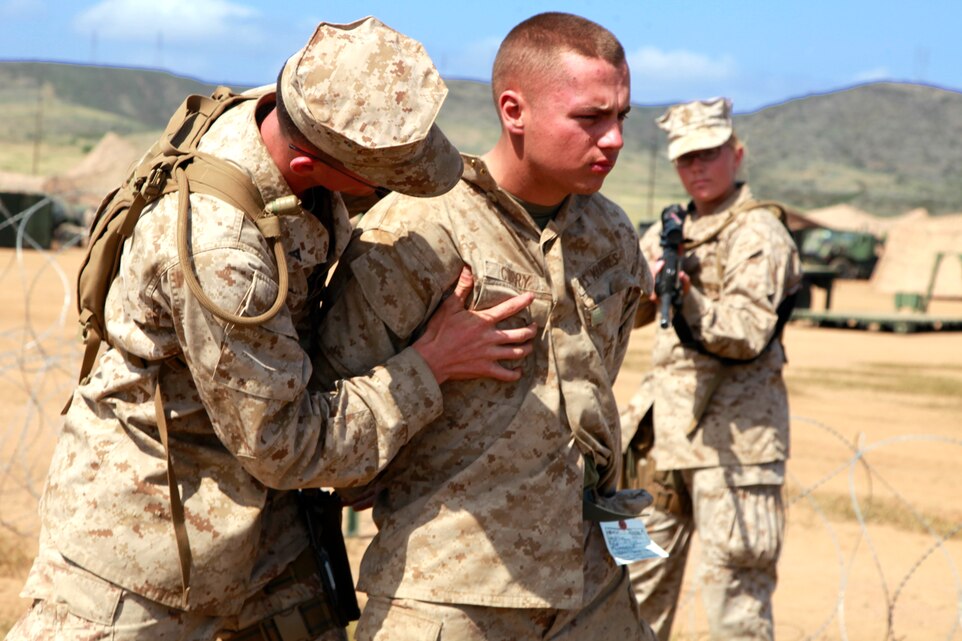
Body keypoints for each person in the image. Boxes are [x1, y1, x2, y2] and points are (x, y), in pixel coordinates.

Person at [6, 17, 538, 641]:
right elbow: (285, 446)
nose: (389, 196)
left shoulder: (289, 110)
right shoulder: (223, 254)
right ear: (312, 162)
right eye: (380, 184)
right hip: (146, 544)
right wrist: (431, 365)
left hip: (267, 543)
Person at [313, 12, 657, 641]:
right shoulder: (418, 232)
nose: (613, 140)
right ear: (513, 110)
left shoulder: (610, 235)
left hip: (593, 578)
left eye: (621, 117)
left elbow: (597, 389)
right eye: (590, 118)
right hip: (452, 589)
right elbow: (331, 408)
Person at [622, 97, 802, 640]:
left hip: (734, 446)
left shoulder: (759, 235)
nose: (696, 167)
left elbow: (747, 333)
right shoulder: (666, 232)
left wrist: (688, 297)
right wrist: (647, 286)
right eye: (685, 158)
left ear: (736, 154)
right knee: (629, 592)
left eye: (708, 153)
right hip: (660, 441)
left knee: (735, 607)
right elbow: (629, 316)